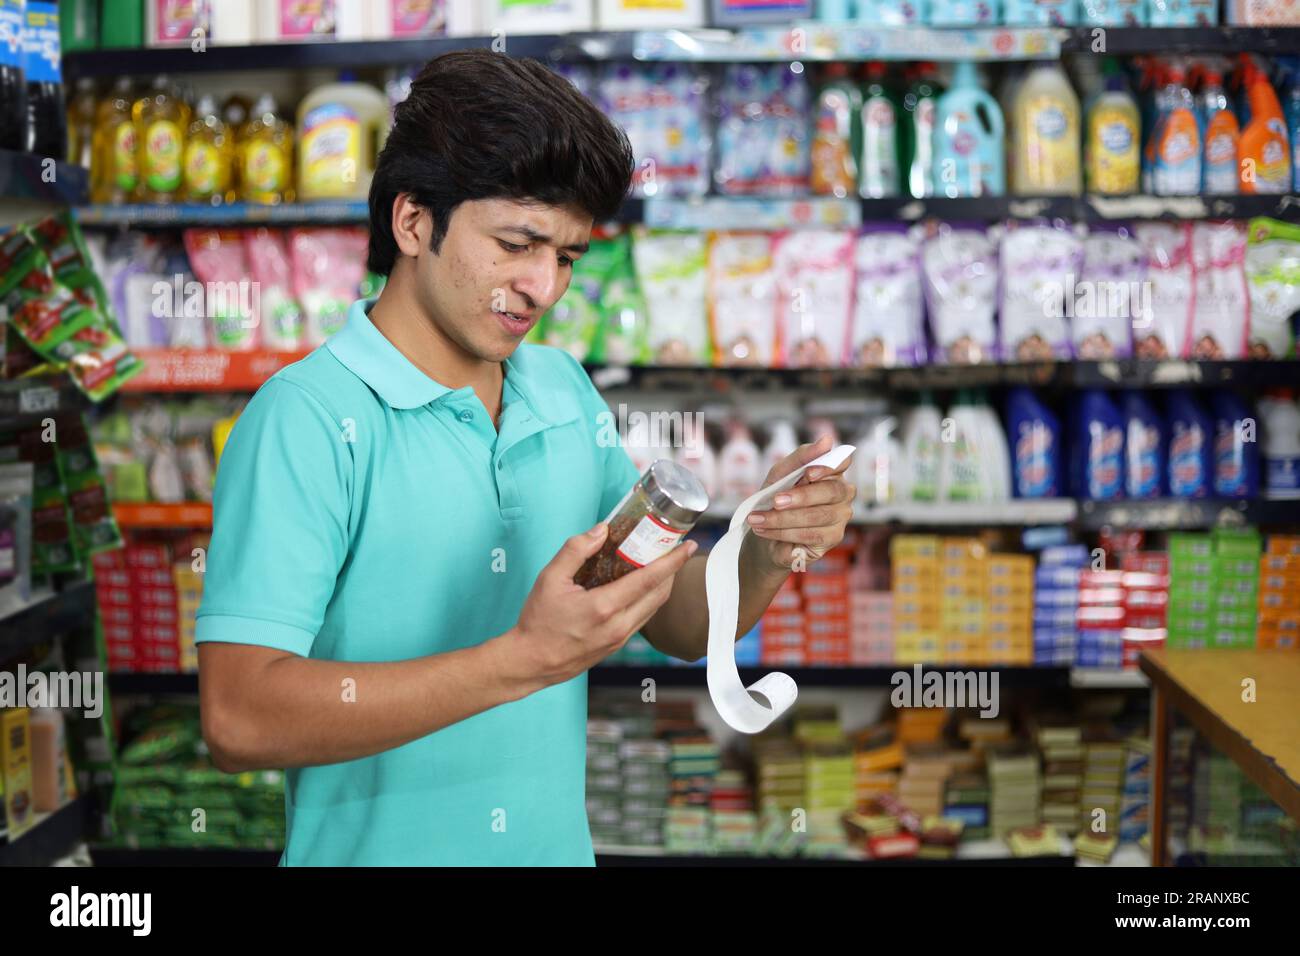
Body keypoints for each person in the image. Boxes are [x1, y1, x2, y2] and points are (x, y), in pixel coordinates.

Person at [197, 50, 856, 866]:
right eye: (516, 244)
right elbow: (237, 718)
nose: (544, 287)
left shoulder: (558, 388)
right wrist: (521, 661)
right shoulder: (307, 420)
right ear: (412, 222)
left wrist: (763, 536)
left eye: (568, 257)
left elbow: (681, 622)